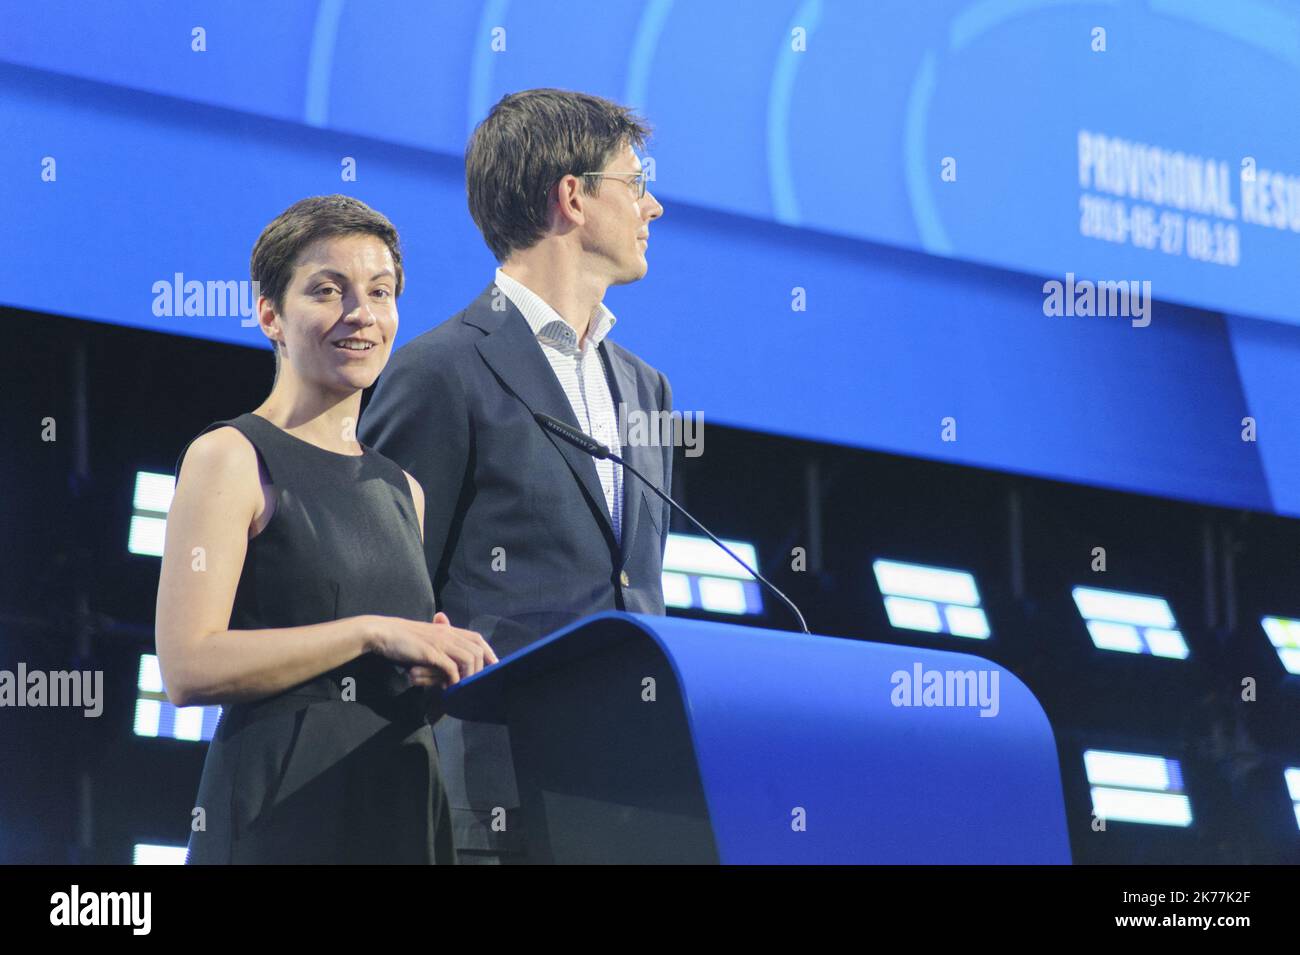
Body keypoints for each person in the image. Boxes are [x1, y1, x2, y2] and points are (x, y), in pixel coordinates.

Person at [359, 88, 671, 863]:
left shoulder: (646, 388)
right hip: (499, 805)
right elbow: (386, 602)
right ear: (573, 196)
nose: (653, 206)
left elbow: (633, 583)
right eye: (636, 184)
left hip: (638, 802)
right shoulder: (440, 371)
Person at [155, 194, 497, 864]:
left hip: (399, 807)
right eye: (328, 290)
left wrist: (428, 669)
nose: (361, 314)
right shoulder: (230, 455)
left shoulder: (405, 490)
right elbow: (187, 665)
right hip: (284, 814)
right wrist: (372, 631)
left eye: (380, 291)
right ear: (269, 315)